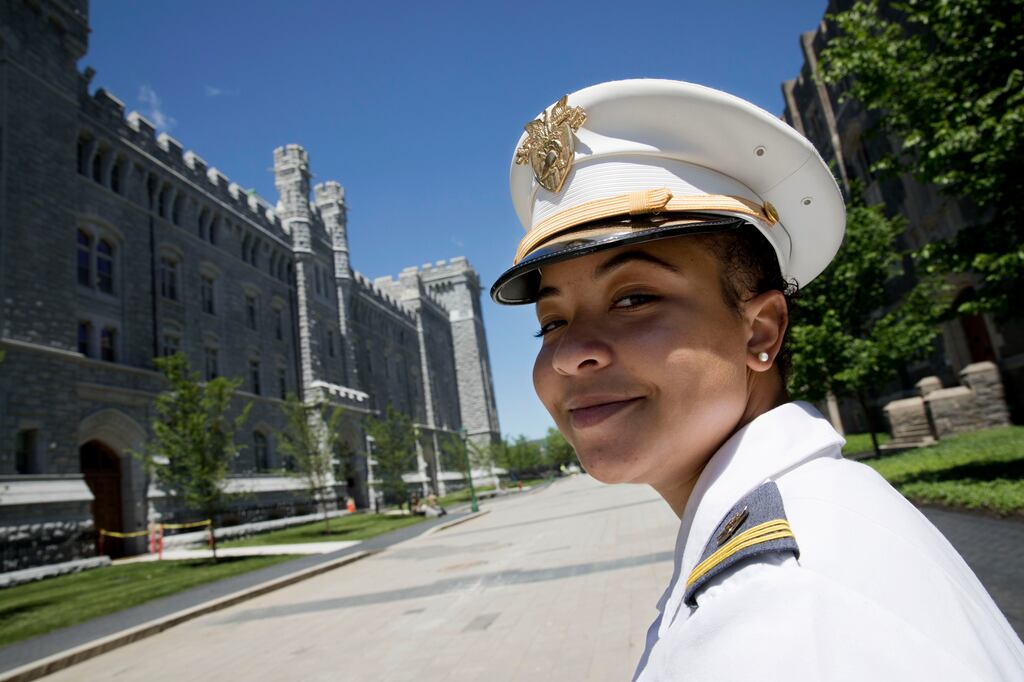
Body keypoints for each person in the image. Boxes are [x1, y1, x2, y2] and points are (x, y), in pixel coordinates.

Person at [490, 79, 1024, 680]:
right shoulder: (789, 532)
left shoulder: (777, 613)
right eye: (552, 322)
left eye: (634, 297)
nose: (570, 355)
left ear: (760, 332)